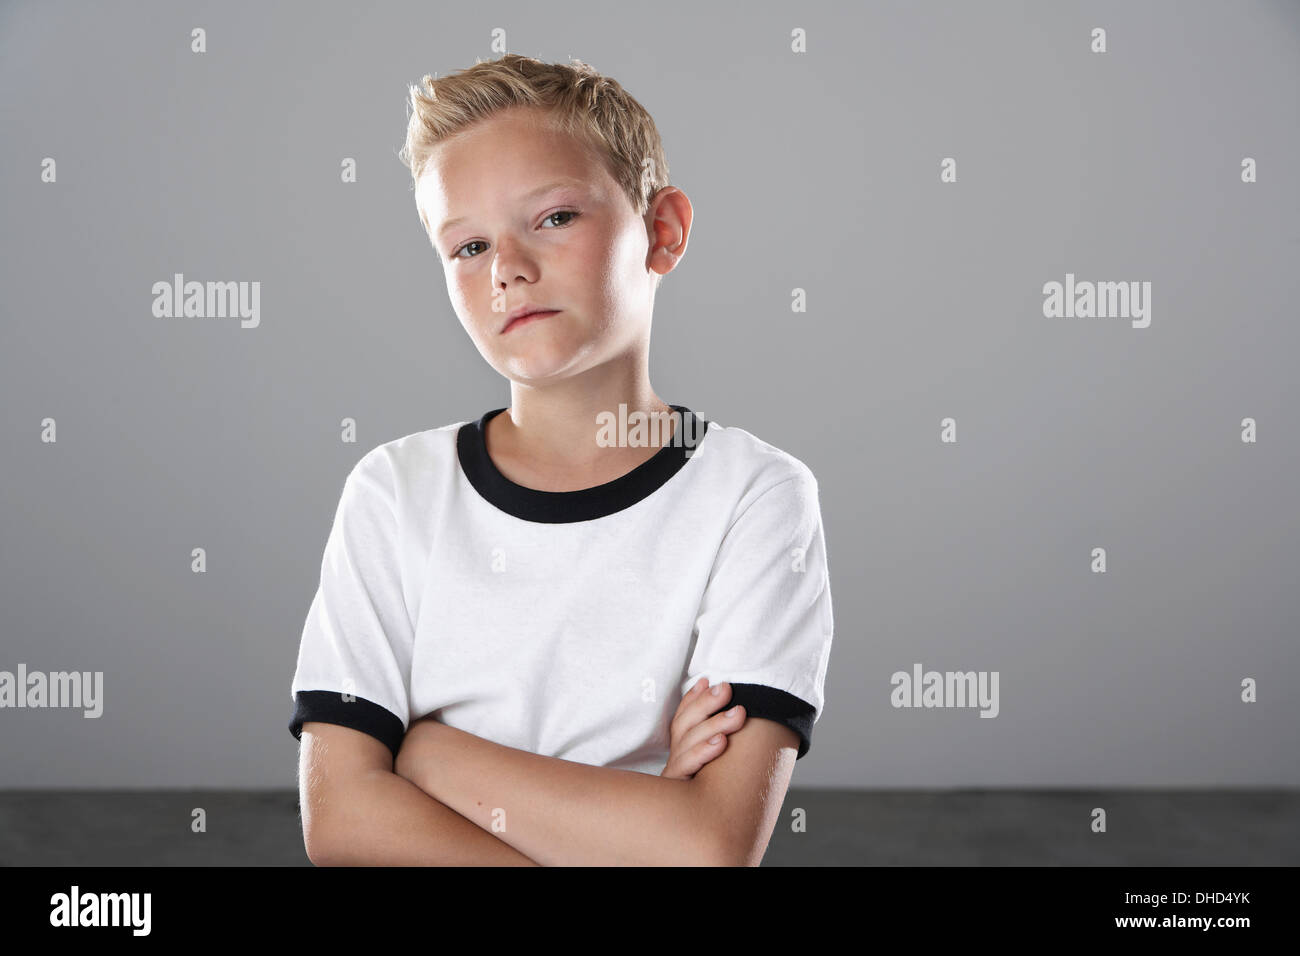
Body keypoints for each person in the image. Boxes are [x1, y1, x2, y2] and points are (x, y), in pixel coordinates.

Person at [287, 54, 834, 866]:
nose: (507, 268)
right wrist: (634, 825)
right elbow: (342, 823)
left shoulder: (754, 496)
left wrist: (426, 755)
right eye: (468, 245)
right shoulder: (394, 493)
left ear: (662, 230)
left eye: (553, 219)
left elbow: (709, 847)